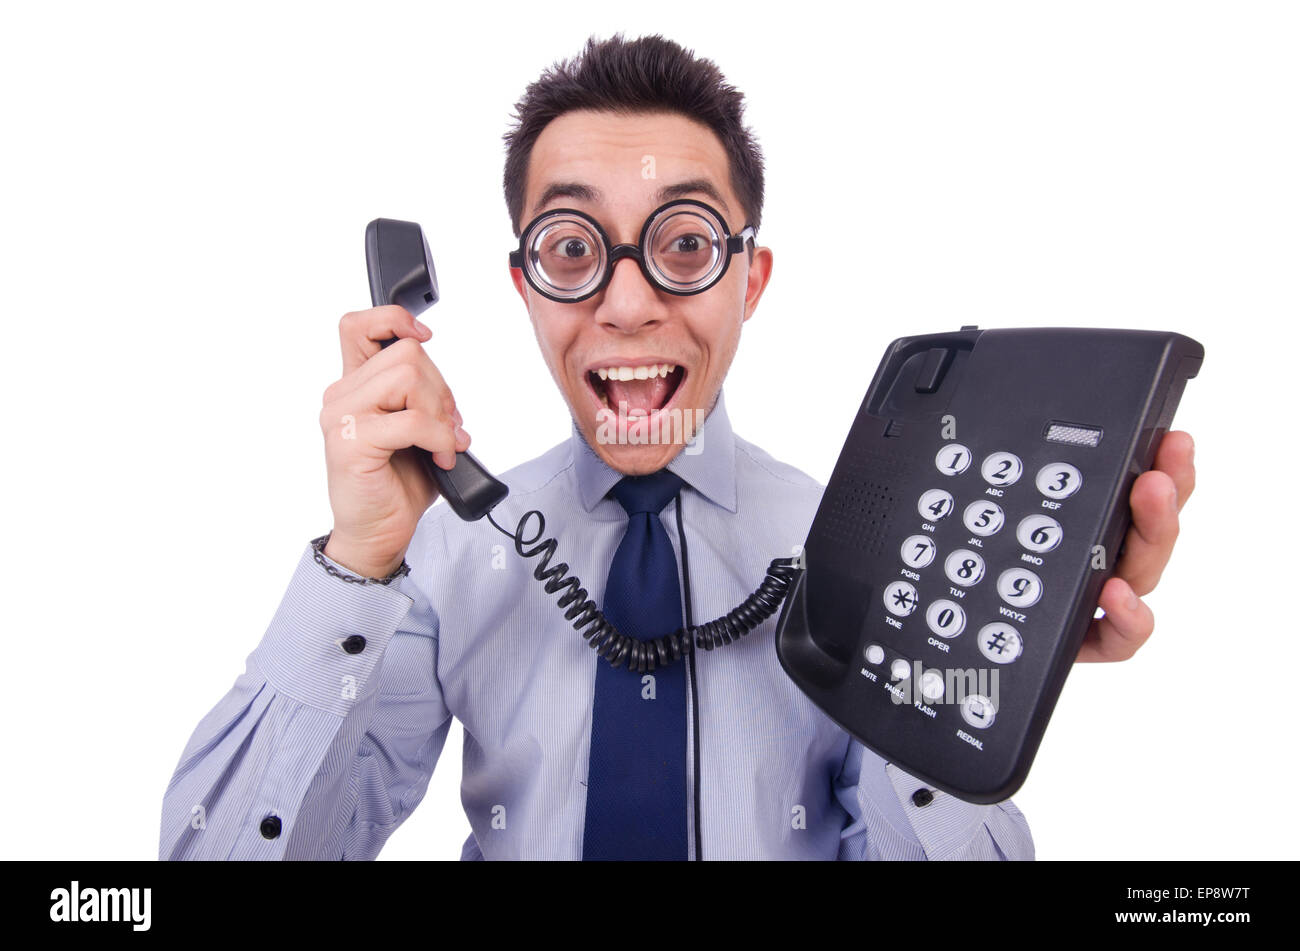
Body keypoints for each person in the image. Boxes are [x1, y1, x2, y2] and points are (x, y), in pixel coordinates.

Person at [159, 33, 1196, 861]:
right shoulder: (435, 557)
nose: (626, 303)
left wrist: (961, 670)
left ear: (750, 279)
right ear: (523, 286)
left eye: (686, 244)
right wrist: (355, 564)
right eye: (571, 249)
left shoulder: (855, 545)